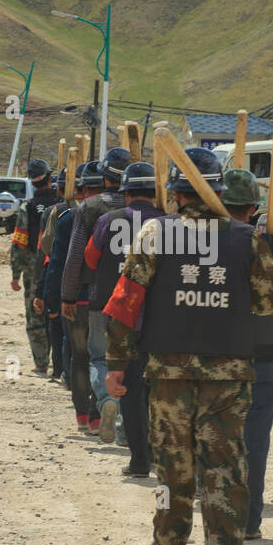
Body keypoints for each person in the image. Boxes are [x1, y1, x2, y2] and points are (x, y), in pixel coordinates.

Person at [103, 147, 273, 545]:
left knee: (173, 472)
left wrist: (117, 363)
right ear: (218, 190)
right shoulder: (246, 238)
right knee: (225, 471)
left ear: (177, 194)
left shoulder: (154, 233)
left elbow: (125, 303)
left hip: (168, 377)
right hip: (229, 377)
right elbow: (269, 304)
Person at [220, 169, 273, 540]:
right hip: (263, 356)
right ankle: (249, 522)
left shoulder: (202, 243)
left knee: (215, 440)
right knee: (255, 443)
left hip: (215, 356)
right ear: (252, 209)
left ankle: (220, 520)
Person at [86, 162, 163, 475]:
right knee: (157, 390)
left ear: (125, 190)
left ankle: (139, 460)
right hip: (160, 320)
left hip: (121, 312)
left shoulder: (108, 219)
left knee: (128, 385)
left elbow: (90, 258)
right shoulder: (169, 224)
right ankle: (158, 454)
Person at [63, 147, 130, 441]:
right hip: (138, 302)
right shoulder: (153, 212)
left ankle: (107, 401)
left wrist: (66, 295)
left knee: (98, 358)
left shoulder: (89, 208)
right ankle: (131, 423)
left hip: (97, 297)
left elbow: (76, 256)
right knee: (134, 362)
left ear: (103, 176)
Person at [46, 162, 102, 432]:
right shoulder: (124, 216)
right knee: (104, 358)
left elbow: (60, 262)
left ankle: (83, 416)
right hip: (111, 301)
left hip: (77, 300)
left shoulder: (69, 217)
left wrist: (57, 299)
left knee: (80, 358)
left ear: (82, 188)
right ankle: (98, 411)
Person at [10, 159, 62, 375]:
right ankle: (60, 363)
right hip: (59, 264)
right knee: (57, 311)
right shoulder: (62, 203)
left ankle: (41, 363)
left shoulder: (26, 208)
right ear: (50, 178)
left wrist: (15, 274)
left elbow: (19, 243)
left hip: (34, 267)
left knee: (35, 316)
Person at [34, 167, 68, 383]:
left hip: (61, 280)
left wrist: (41, 288)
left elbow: (46, 252)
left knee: (57, 327)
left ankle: (60, 370)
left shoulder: (56, 213)